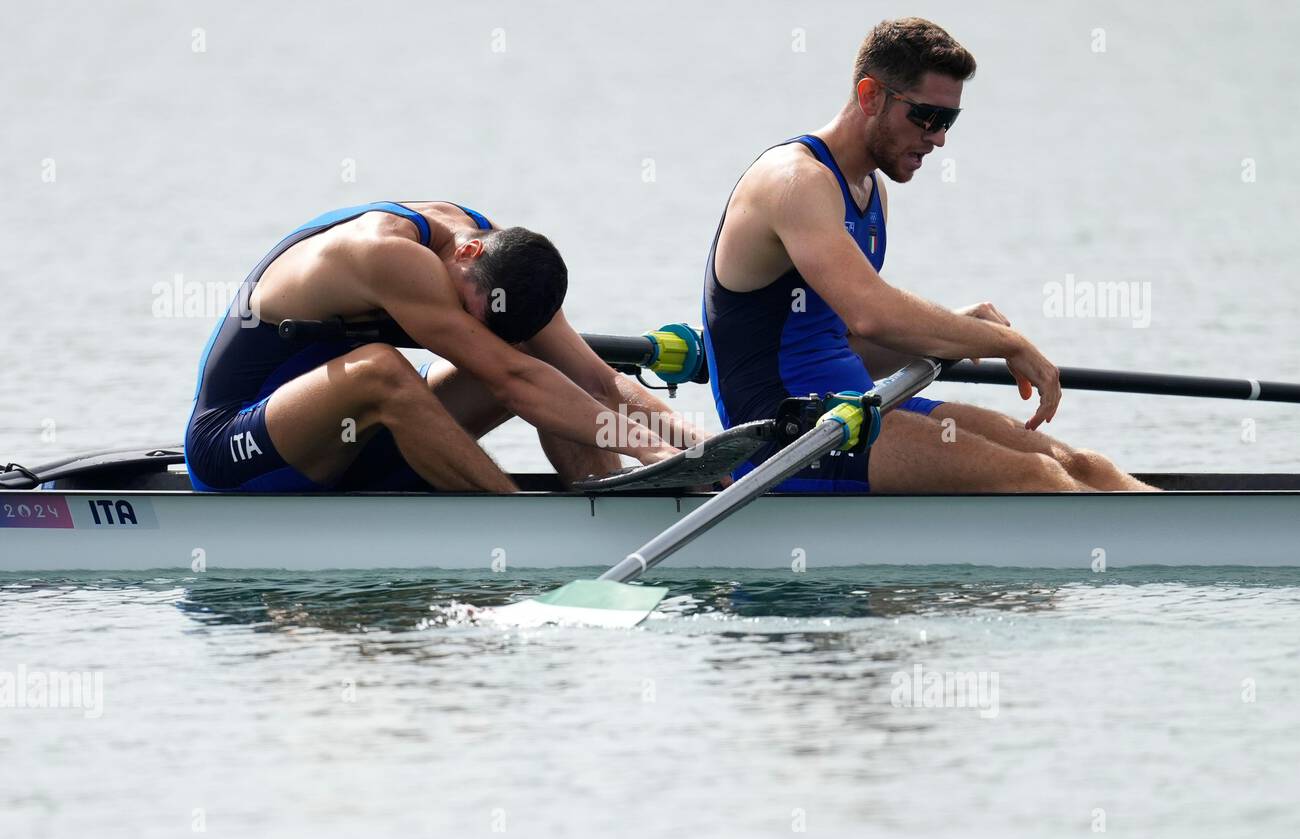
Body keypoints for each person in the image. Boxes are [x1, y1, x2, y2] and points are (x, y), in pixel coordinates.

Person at [702, 17, 1153, 492]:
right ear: (871, 95)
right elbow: (872, 312)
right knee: (1035, 477)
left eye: (949, 120)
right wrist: (1005, 343)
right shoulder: (794, 183)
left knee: (1081, 465)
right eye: (927, 117)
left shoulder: (870, 188)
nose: (939, 138)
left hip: (853, 414)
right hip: (786, 437)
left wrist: (957, 330)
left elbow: (847, 341)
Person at [186, 200, 707, 493]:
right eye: (465, 307)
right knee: (381, 369)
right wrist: (642, 444)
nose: (463, 319)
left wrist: (692, 445)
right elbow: (513, 379)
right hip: (237, 451)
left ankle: (602, 505)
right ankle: (516, 530)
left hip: (356, 449)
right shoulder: (387, 253)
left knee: (545, 360)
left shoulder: (498, 256)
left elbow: (597, 377)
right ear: (469, 252)